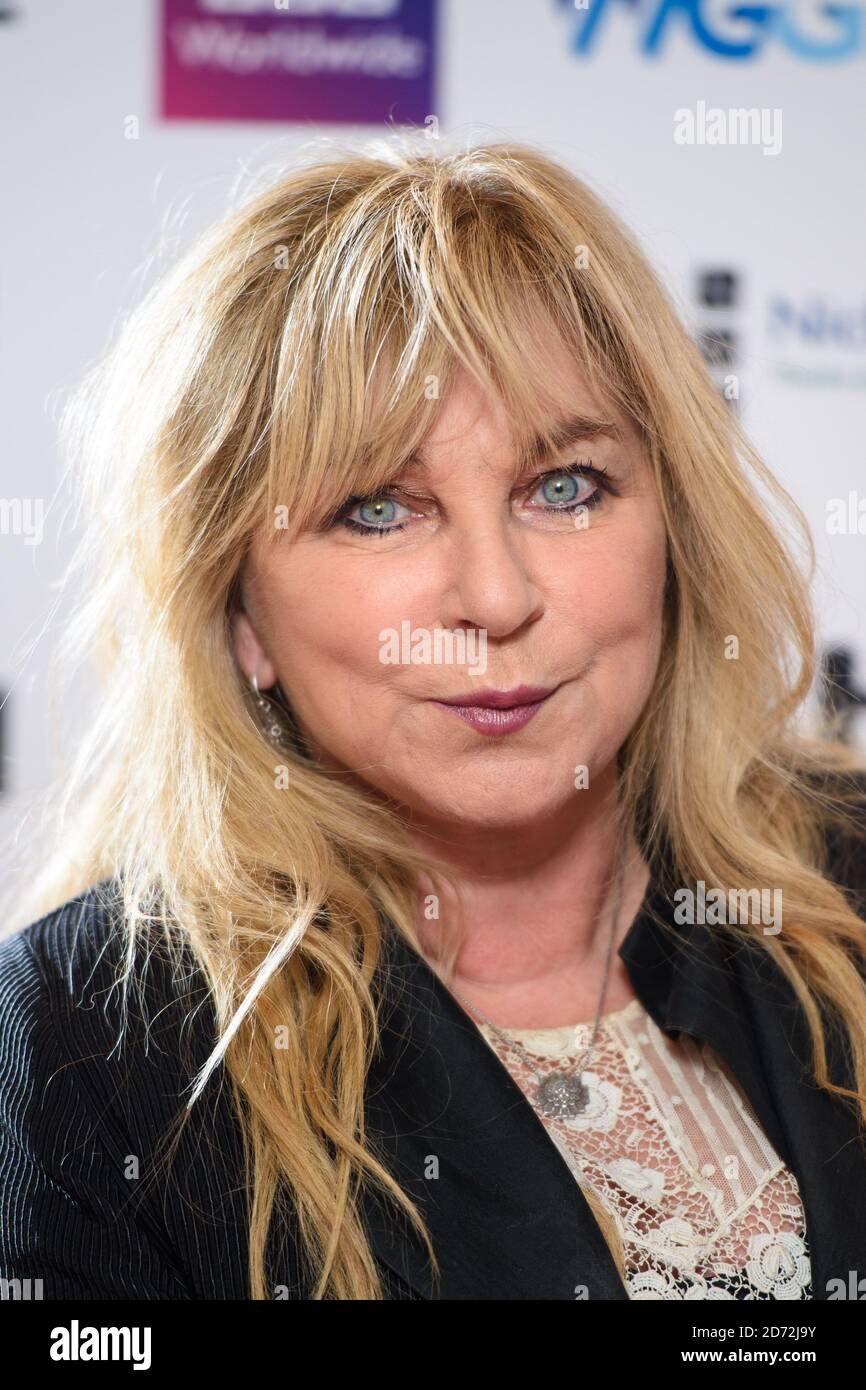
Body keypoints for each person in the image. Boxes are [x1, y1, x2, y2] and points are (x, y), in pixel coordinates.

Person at [1, 136, 866, 1302]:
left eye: (564, 488)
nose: (496, 599)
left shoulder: (843, 878)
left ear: (672, 528)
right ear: (239, 609)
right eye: (376, 509)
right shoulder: (82, 1045)